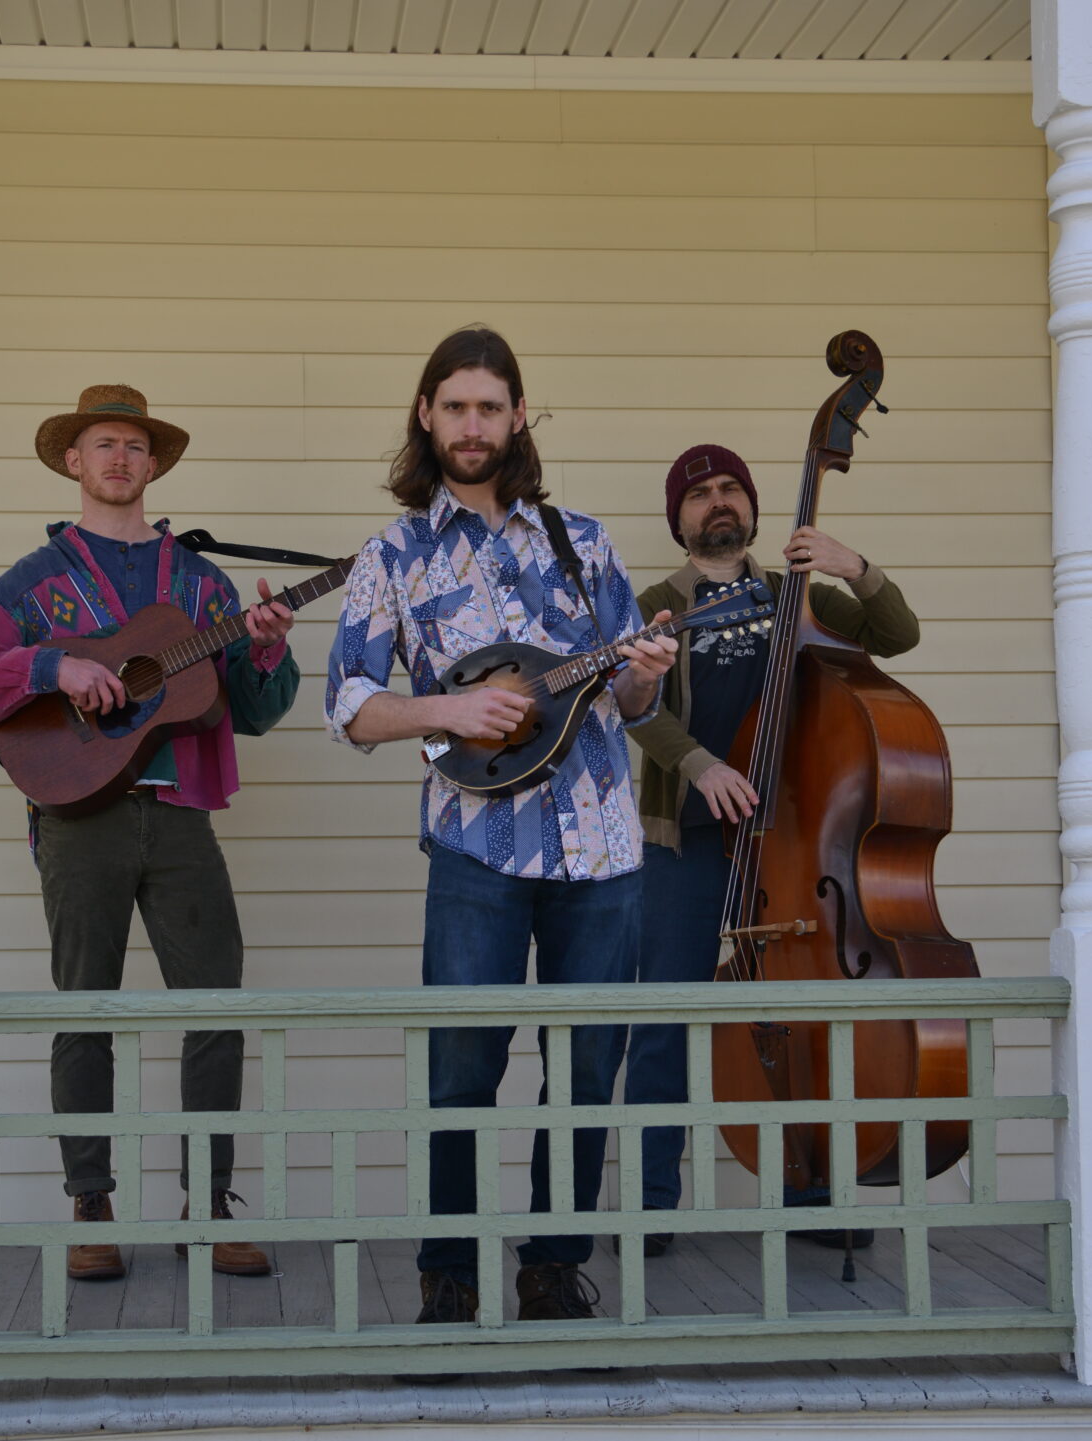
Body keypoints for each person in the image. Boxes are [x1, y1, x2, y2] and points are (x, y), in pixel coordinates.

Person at [325, 328, 677, 1326]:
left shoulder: (585, 545)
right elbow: (349, 705)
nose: (472, 425)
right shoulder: (390, 556)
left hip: (602, 847)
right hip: (475, 846)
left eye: (491, 406)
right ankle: (449, 1267)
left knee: (583, 1065)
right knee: (462, 1064)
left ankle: (554, 1265)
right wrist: (443, 710)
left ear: (518, 416)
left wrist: (646, 678)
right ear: (426, 418)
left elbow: (637, 706)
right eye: (454, 406)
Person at [0, 385, 299, 1281]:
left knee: (215, 1008)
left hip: (181, 815)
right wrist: (51, 663)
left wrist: (264, 646)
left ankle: (206, 1208)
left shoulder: (201, 581)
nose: (120, 459)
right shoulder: (36, 580)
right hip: (78, 816)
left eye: (135, 445)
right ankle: (89, 1203)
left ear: (154, 463)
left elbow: (256, 711)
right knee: (83, 1009)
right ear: (74, 461)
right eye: (104, 443)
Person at [623, 442, 921, 1255]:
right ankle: (651, 1203)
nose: (717, 502)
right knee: (665, 1018)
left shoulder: (802, 597)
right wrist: (701, 762)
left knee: (800, 1011)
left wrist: (851, 563)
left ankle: (813, 1192)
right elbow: (634, 706)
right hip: (684, 840)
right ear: (678, 519)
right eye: (699, 494)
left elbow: (898, 633)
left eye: (730, 489)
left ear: (751, 509)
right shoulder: (654, 604)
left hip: (792, 849)